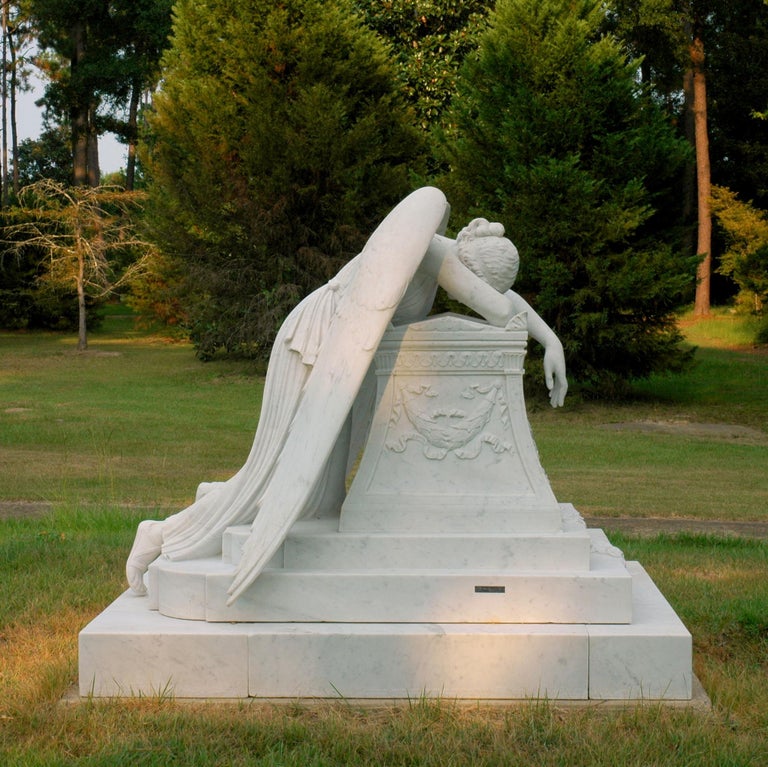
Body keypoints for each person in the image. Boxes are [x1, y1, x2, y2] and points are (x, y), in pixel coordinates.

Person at [126, 188, 567, 599]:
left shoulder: (443, 250)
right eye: (475, 280)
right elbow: (497, 307)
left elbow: (503, 299)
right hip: (322, 344)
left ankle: (221, 499)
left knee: (319, 499)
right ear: (467, 265)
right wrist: (512, 313)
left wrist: (551, 341)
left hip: (353, 354)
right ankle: (164, 532)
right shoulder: (432, 244)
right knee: (289, 473)